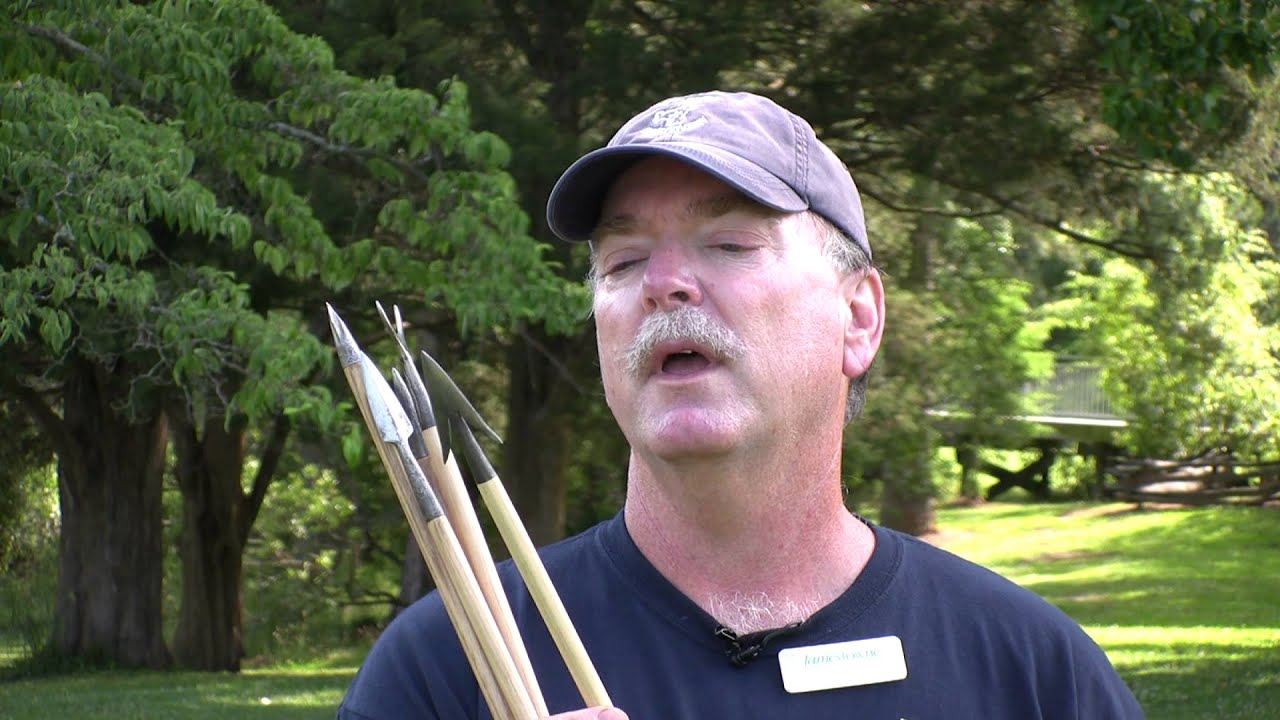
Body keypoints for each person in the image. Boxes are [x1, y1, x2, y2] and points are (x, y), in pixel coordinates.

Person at [337, 91, 1145, 720]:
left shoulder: (1030, 673)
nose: (663, 284)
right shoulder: (453, 662)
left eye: (728, 244)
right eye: (622, 261)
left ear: (858, 316)